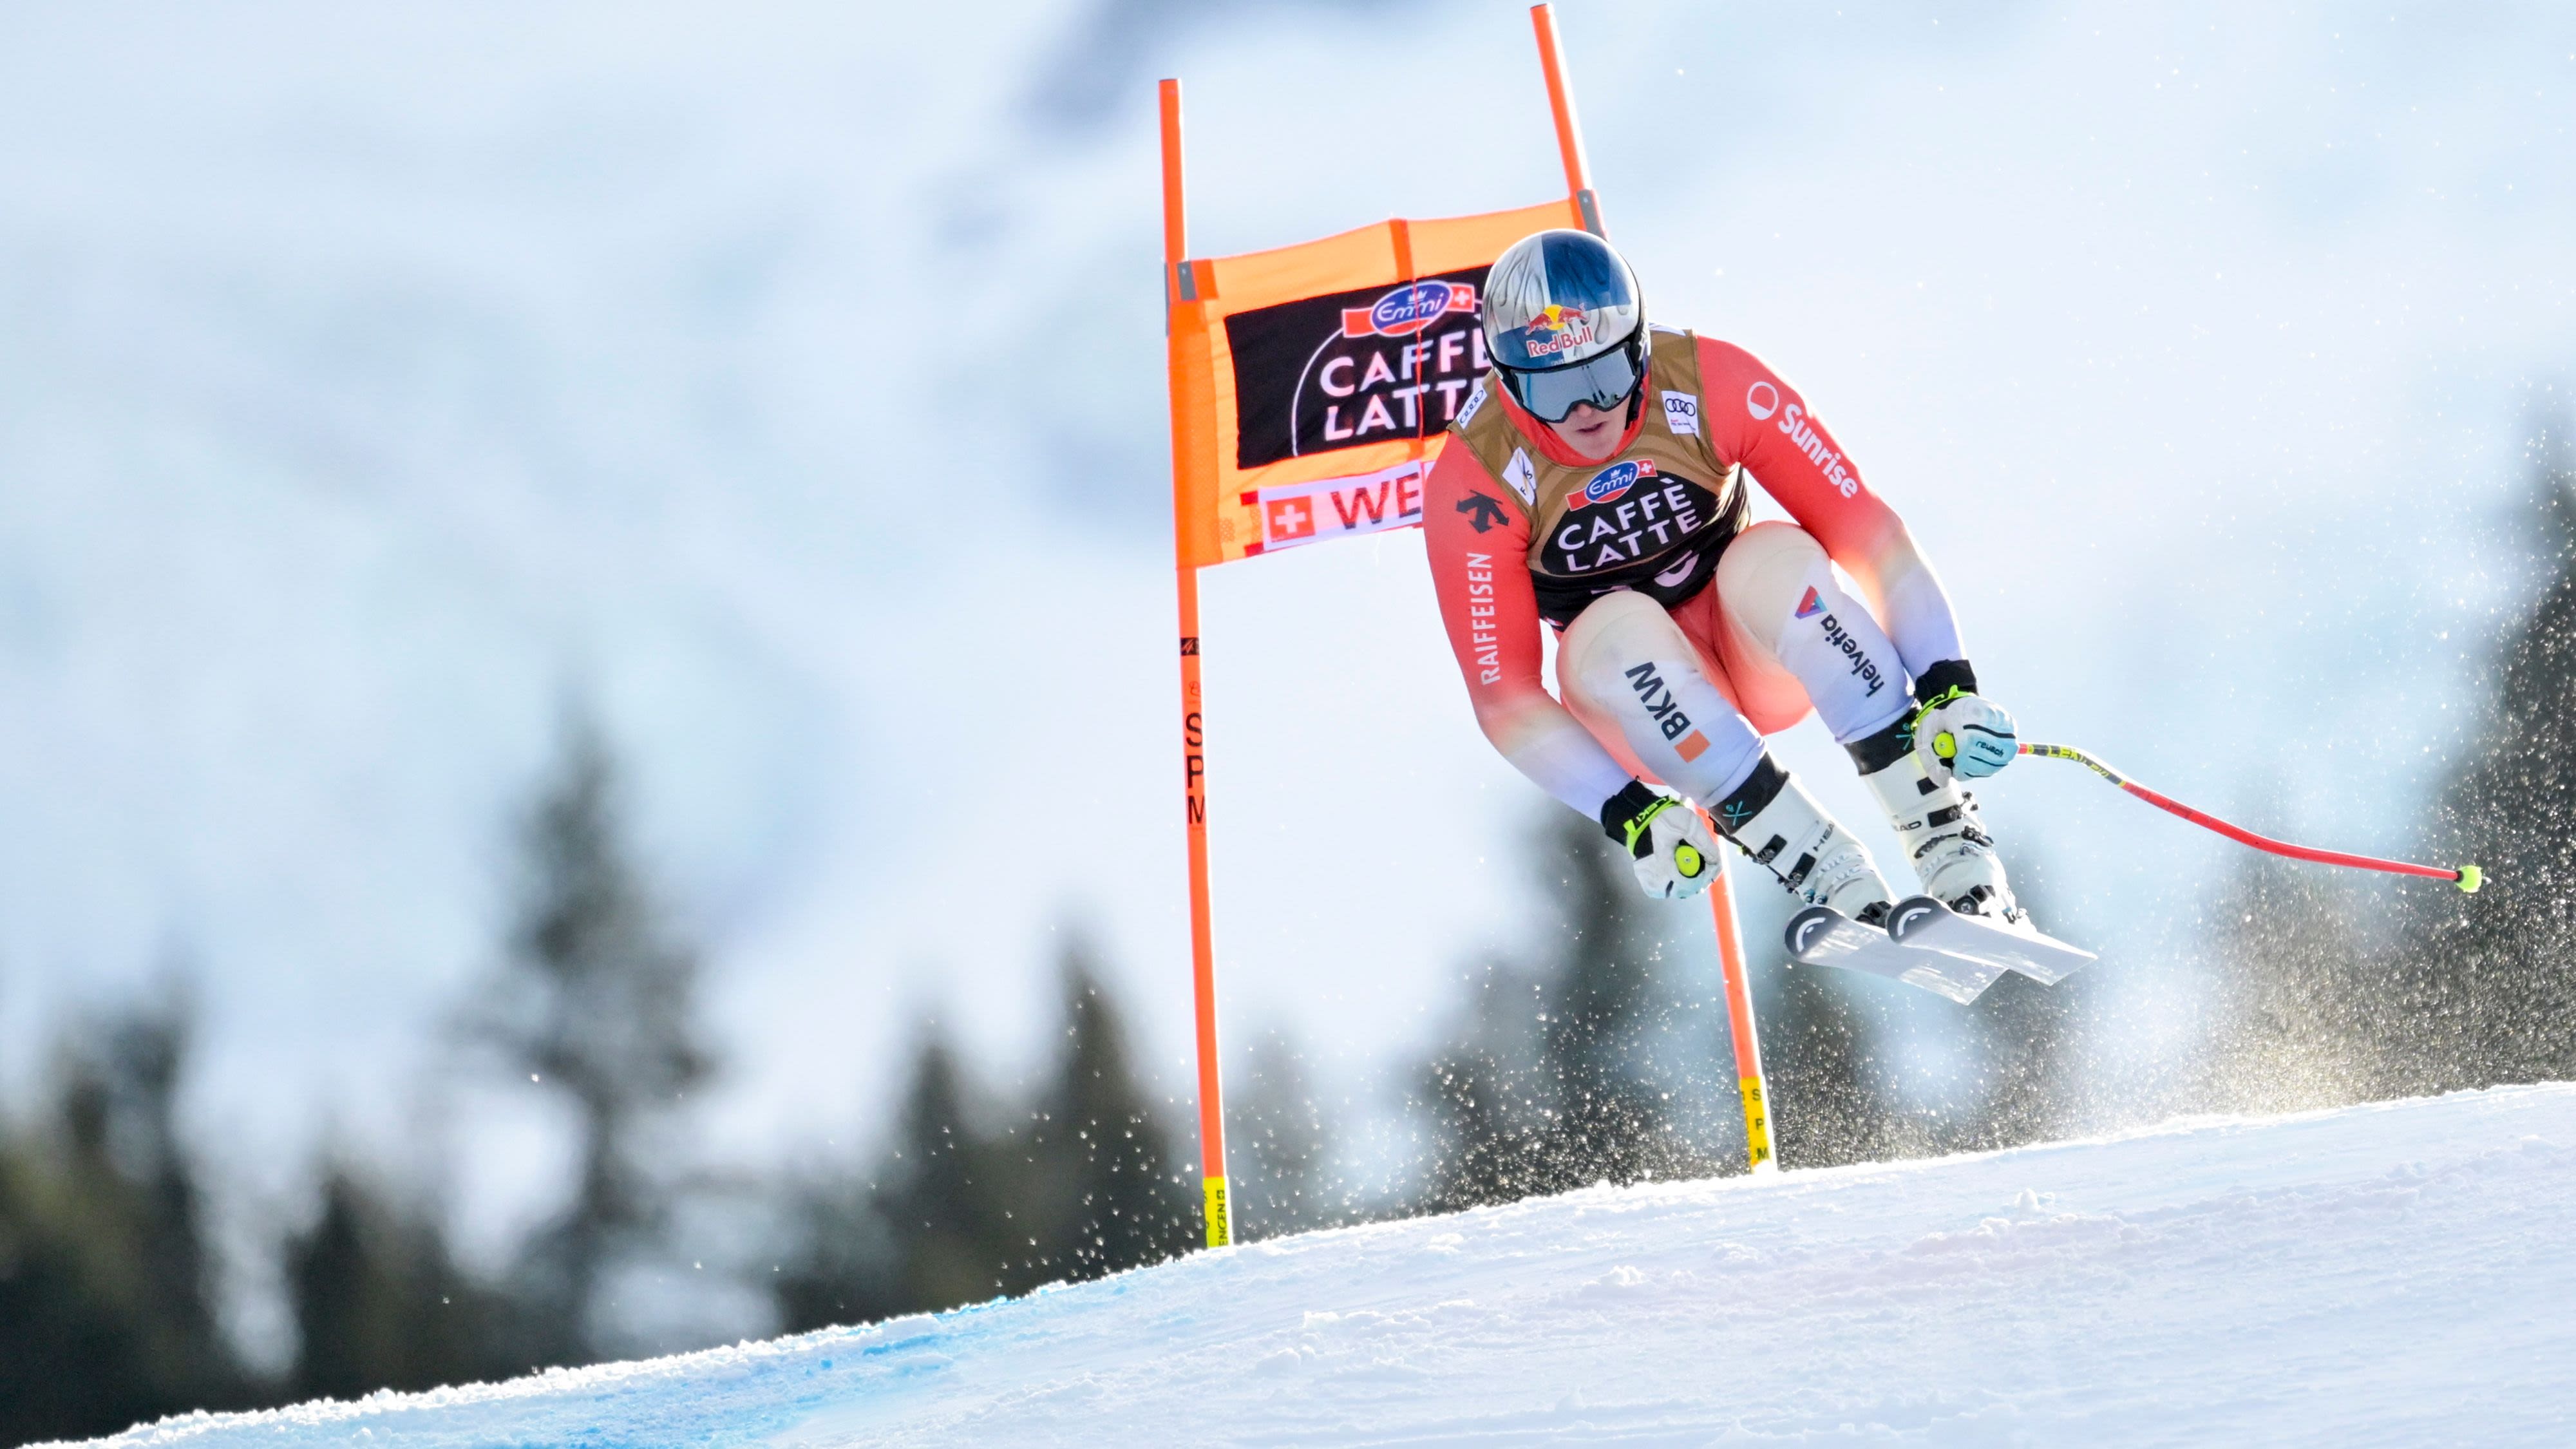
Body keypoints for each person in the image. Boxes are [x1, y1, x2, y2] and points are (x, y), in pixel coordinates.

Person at [1424, 228, 2020, 923]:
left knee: (1776, 559)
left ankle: (1952, 844)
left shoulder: (1715, 382)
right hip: (1644, 709)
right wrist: (1629, 812)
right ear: (1506, 379)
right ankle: (1828, 873)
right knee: (1618, 628)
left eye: (1602, 377)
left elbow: (1871, 536)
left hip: (1759, 651)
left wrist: (1948, 682)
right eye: (1549, 389)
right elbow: (1505, 698)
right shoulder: (1475, 480)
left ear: (1639, 348)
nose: (1582, 410)